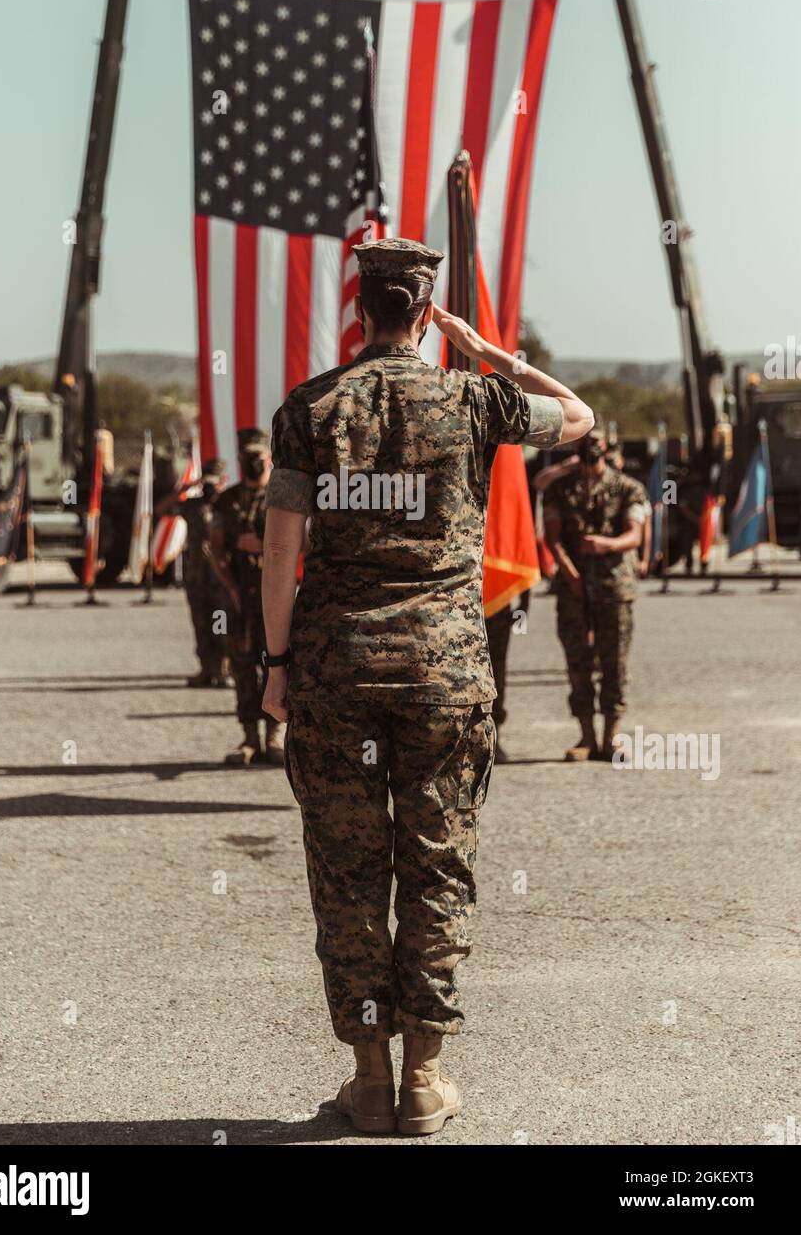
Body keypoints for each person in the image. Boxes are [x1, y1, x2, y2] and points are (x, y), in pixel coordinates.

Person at [260, 237, 593, 1136]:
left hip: (335, 668)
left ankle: (369, 1078)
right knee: (438, 862)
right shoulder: (474, 397)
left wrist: (277, 666)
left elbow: (282, 550)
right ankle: (425, 1080)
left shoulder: (310, 407)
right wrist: (485, 348)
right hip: (443, 671)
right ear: (425, 305)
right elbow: (580, 415)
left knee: (348, 870)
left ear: (360, 307)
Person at [542, 431, 647, 762]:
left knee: (614, 661)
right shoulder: (560, 488)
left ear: (608, 449)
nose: (591, 448)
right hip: (572, 588)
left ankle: (611, 735)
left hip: (613, 586)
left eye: (597, 443)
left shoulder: (628, 487)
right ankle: (586, 735)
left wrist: (607, 545)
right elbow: (552, 536)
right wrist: (568, 571)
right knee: (578, 661)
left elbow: (634, 534)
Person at [209, 429, 285, 767]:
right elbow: (216, 549)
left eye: (258, 457)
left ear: (268, 458)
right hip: (241, 597)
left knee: (277, 663)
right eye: (246, 458)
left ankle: (275, 736)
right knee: (242, 666)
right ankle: (250, 738)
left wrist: (266, 548)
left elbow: (307, 543)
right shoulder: (228, 500)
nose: (253, 463)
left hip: (277, 596)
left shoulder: (282, 497)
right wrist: (231, 588)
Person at [156, 458, 228, 688]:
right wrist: (185, 489)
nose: (208, 489)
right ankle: (206, 669)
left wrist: (221, 493)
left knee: (222, 624)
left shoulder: (229, 505)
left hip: (221, 579)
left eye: (213, 484)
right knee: (201, 624)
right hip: (197, 578)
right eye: (206, 484)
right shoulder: (193, 505)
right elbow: (161, 510)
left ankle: (223, 669)